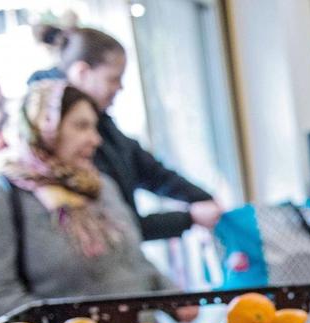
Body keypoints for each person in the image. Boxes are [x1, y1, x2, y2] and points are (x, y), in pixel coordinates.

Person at [0, 81, 174, 323]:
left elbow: (129, 259)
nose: (95, 139)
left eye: (94, 127)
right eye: (81, 126)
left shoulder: (98, 186)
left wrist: (171, 295)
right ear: (43, 127)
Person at [52, 27, 223, 240]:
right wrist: (188, 218)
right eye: (113, 79)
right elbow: (118, 225)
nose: (120, 87)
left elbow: (148, 170)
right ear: (82, 73)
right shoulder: (63, 150)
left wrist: (201, 198)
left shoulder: (104, 124)